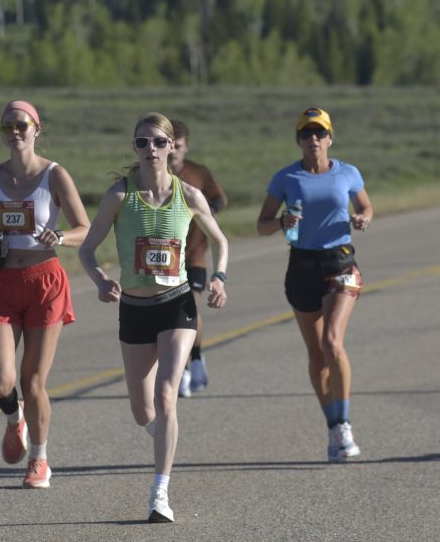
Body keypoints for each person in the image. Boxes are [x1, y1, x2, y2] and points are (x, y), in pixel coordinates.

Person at [80, 112, 230, 524]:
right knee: (142, 410)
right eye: (142, 143)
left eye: (159, 143)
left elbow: (220, 240)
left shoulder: (190, 195)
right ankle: (161, 429)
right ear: (135, 149)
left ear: (171, 147)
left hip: (177, 303)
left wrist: (218, 277)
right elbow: (86, 250)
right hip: (134, 308)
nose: (151, 150)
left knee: (167, 394)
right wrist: (100, 281)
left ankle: (159, 493)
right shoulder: (119, 195)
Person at [0, 100, 91, 489]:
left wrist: (59, 236)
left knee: (34, 381)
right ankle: (14, 418)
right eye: (8, 126)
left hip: (44, 281)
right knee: (0, 382)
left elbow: (85, 227)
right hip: (1, 283)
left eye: (22, 125)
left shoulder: (54, 176)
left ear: (37, 129)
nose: (15, 132)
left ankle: (39, 459)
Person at [257, 106, 374, 464]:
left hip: (339, 260)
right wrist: (282, 220)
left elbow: (367, 207)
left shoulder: (348, 173)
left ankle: (346, 424)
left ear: (330, 138)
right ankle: (333, 427)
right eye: (306, 134)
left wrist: (362, 217)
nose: (313, 140)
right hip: (301, 264)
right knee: (316, 353)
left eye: (320, 133)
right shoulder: (285, 178)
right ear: (298, 140)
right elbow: (261, 225)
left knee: (332, 341)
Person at [167, 119, 228, 397]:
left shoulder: (198, 173)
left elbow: (219, 198)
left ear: (186, 146)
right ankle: (184, 364)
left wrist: (209, 210)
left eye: (178, 146)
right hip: (163, 261)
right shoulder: (155, 173)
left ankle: (194, 360)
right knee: (169, 317)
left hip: (194, 256)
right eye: (169, 145)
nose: (173, 152)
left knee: (190, 308)